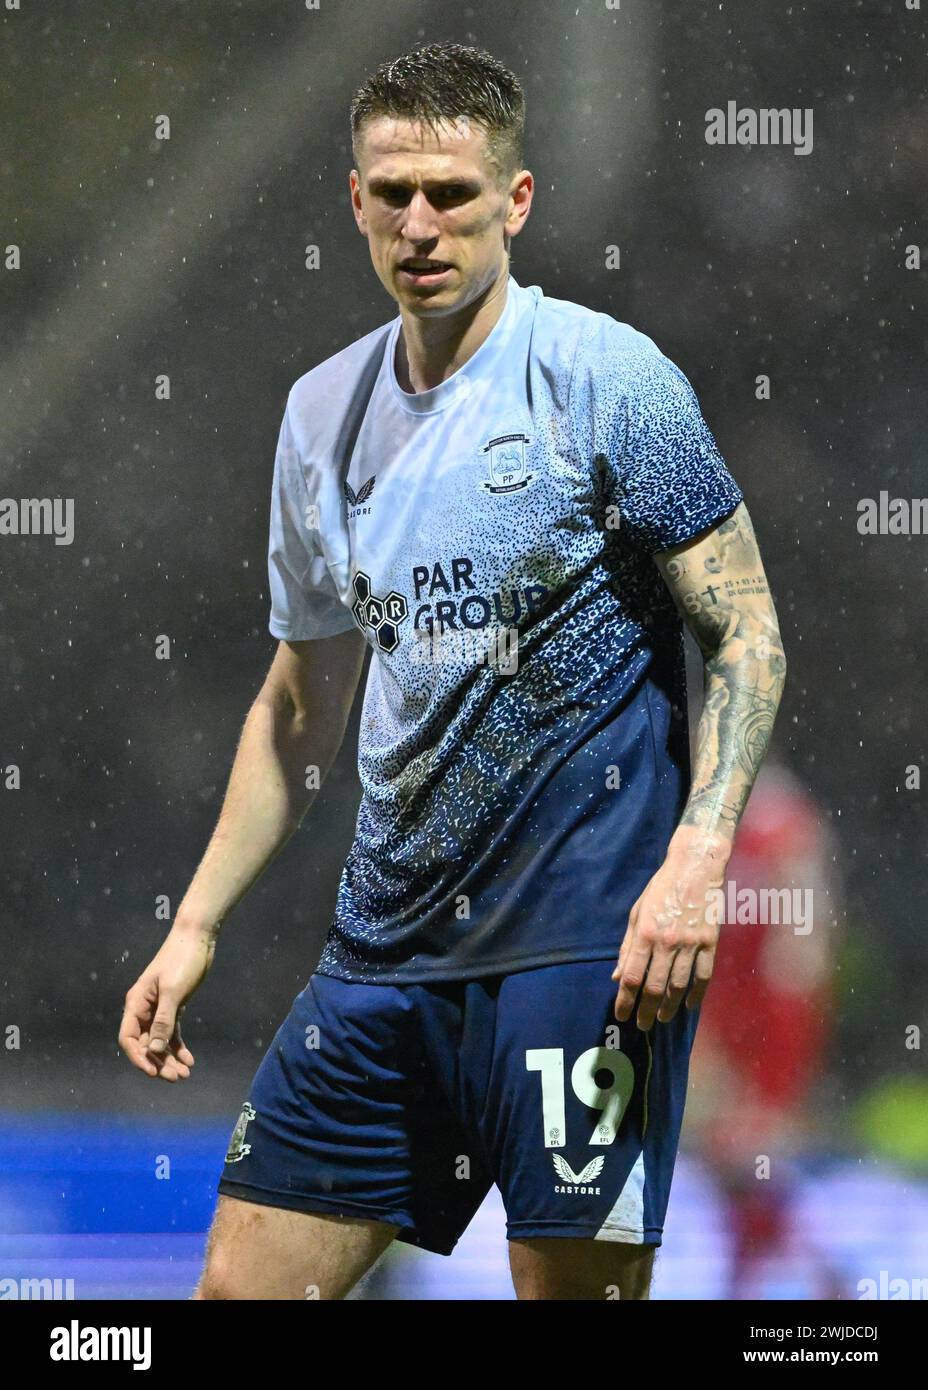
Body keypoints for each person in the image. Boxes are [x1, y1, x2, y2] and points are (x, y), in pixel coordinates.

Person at [119, 41, 787, 1301]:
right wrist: (196, 921)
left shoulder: (608, 380)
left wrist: (698, 862)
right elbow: (299, 704)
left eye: (453, 194)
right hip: (379, 963)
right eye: (392, 194)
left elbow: (746, 631)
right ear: (355, 203)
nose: (420, 224)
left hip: (582, 955)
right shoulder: (320, 414)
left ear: (515, 202)